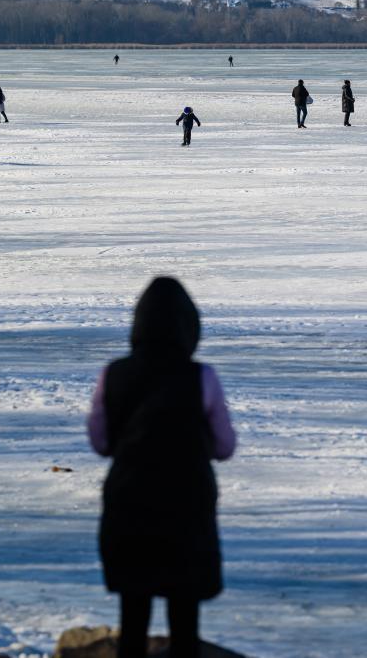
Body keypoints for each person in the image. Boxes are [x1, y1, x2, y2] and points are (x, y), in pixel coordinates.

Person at [86, 276, 236, 658]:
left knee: (133, 610)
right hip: (187, 505)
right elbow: (225, 447)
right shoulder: (201, 377)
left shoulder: (113, 373)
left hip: (129, 501)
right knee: (184, 614)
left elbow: (101, 443)